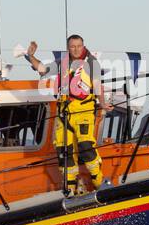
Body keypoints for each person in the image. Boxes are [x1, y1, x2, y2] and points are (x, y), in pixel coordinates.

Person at [25, 35, 104, 193]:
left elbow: (97, 85)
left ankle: (99, 181)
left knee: (86, 146)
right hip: (64, 113)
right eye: (73, 46)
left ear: (83, 46)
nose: (76, 49)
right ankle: (71, 188)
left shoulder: (92, 62)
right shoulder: (62, 62)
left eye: (79, 46)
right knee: (63, 150)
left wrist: (102, 102)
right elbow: (42, 69)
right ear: (68, 47)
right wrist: (30, 56)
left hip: (83, 110)